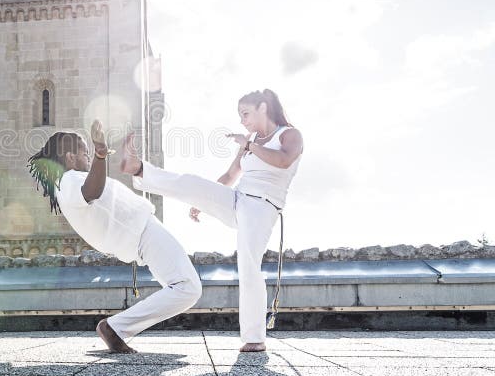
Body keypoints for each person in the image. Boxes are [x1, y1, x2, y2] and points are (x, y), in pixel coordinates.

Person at [121, 89, 303, 352]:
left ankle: (254, 338)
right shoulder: (251, 140)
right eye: (240, 115)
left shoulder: (289, 134)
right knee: (191, 183)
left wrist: (249, 145)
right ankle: (139, 168)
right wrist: (203, 201)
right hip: (238, 199)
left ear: (264, 107)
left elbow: (284, 160)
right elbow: (231, 174)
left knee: (248, 264)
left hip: (262, 208)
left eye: (245, 113)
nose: (242, 120)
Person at [27, 120, 201, 353]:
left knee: (183, 287)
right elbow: (92, 191)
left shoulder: (69, 182)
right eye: (85, 153)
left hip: (141, 233)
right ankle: (114, 327)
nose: (88, 158)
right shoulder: (69, 181)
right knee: (187, 287)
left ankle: (116, 327)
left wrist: (99, 157)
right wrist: (100, 154)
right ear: (69, 158)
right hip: (143, 232)